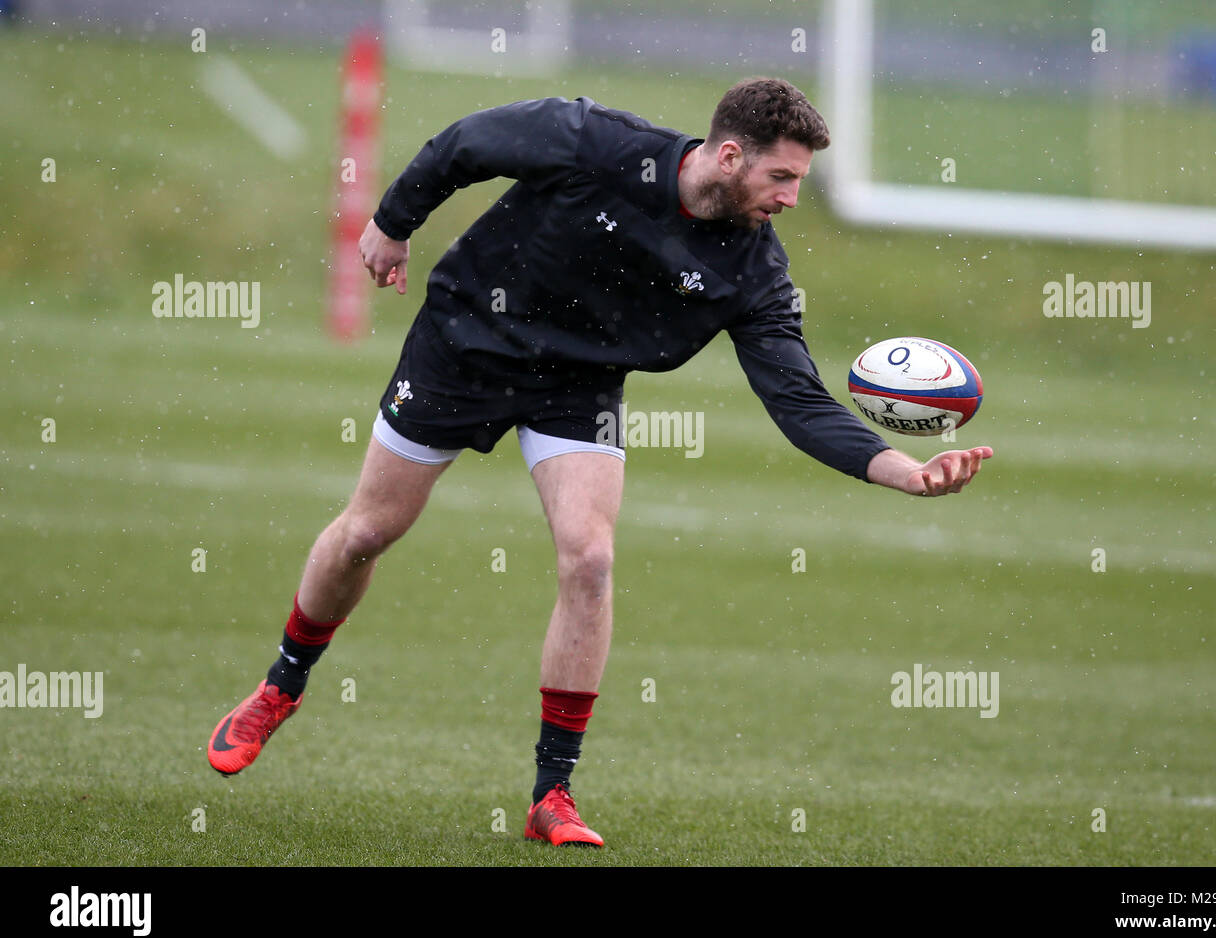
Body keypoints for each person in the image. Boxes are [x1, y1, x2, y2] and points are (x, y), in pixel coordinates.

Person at [206, 77, 993, 847]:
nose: (791, 197)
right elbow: (465, 145)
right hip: (466, 342)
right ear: (727, 156)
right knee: (367, 534)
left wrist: (905, 471)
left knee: (590, 561)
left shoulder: (754, 272)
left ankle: (552, 792)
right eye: (781, 176)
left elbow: (798, 401)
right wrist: (390, 223)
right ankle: (282, 685)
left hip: (577, 384)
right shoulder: (593, 142)